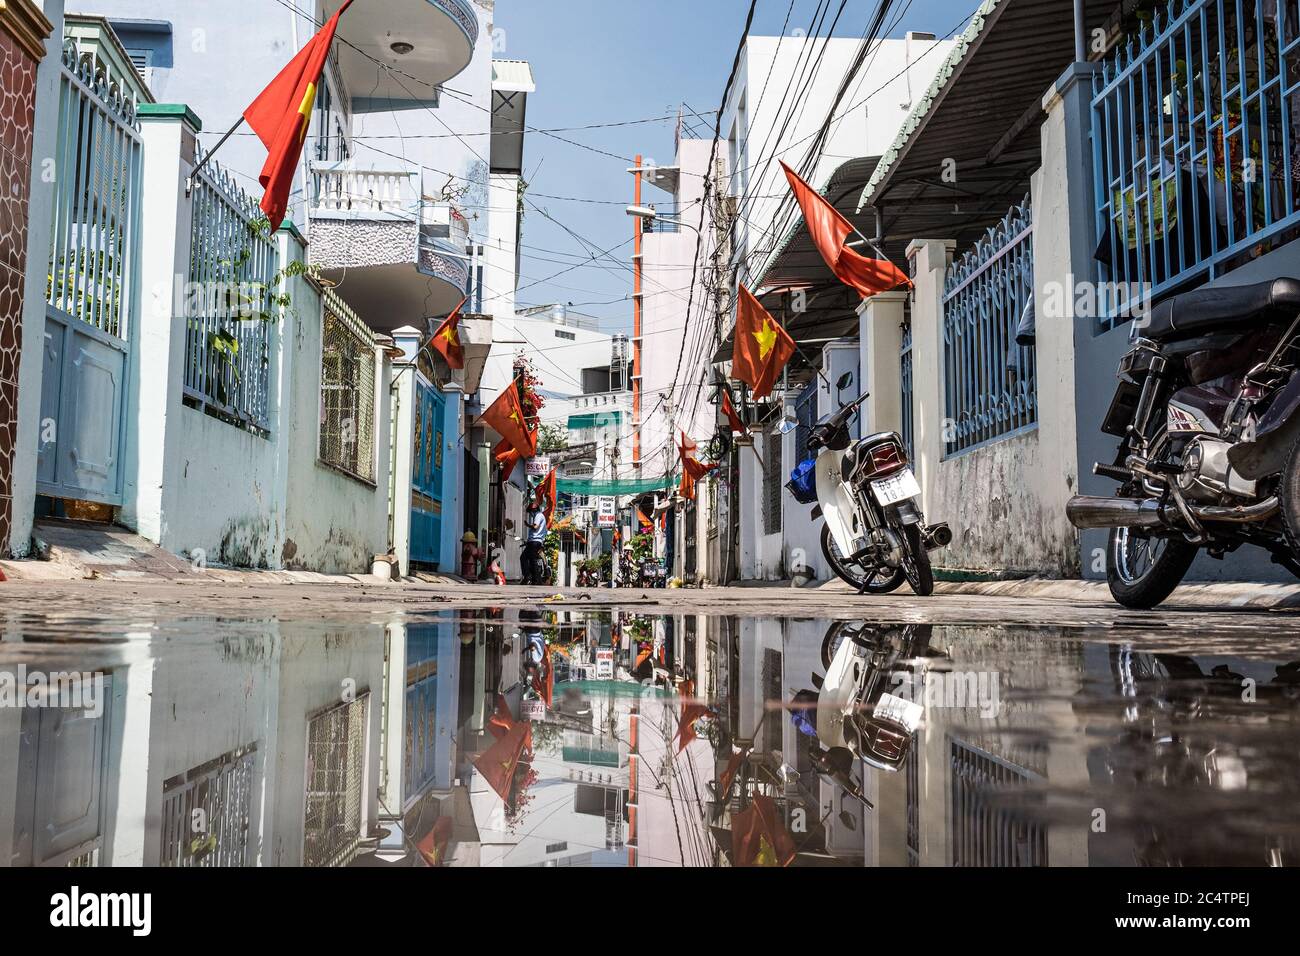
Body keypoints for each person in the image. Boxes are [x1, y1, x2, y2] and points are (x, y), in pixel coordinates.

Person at [521, 501, 548, 585]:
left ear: (533, 510)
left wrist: (527, 525)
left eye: (530, 512)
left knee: (525, 558)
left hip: (535, 541)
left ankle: (530, 577)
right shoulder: (540, 516)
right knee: (531, 559)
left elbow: (535, 527)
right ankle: (535, 579)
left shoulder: (538, 515)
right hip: (534, 541)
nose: (531, 514)